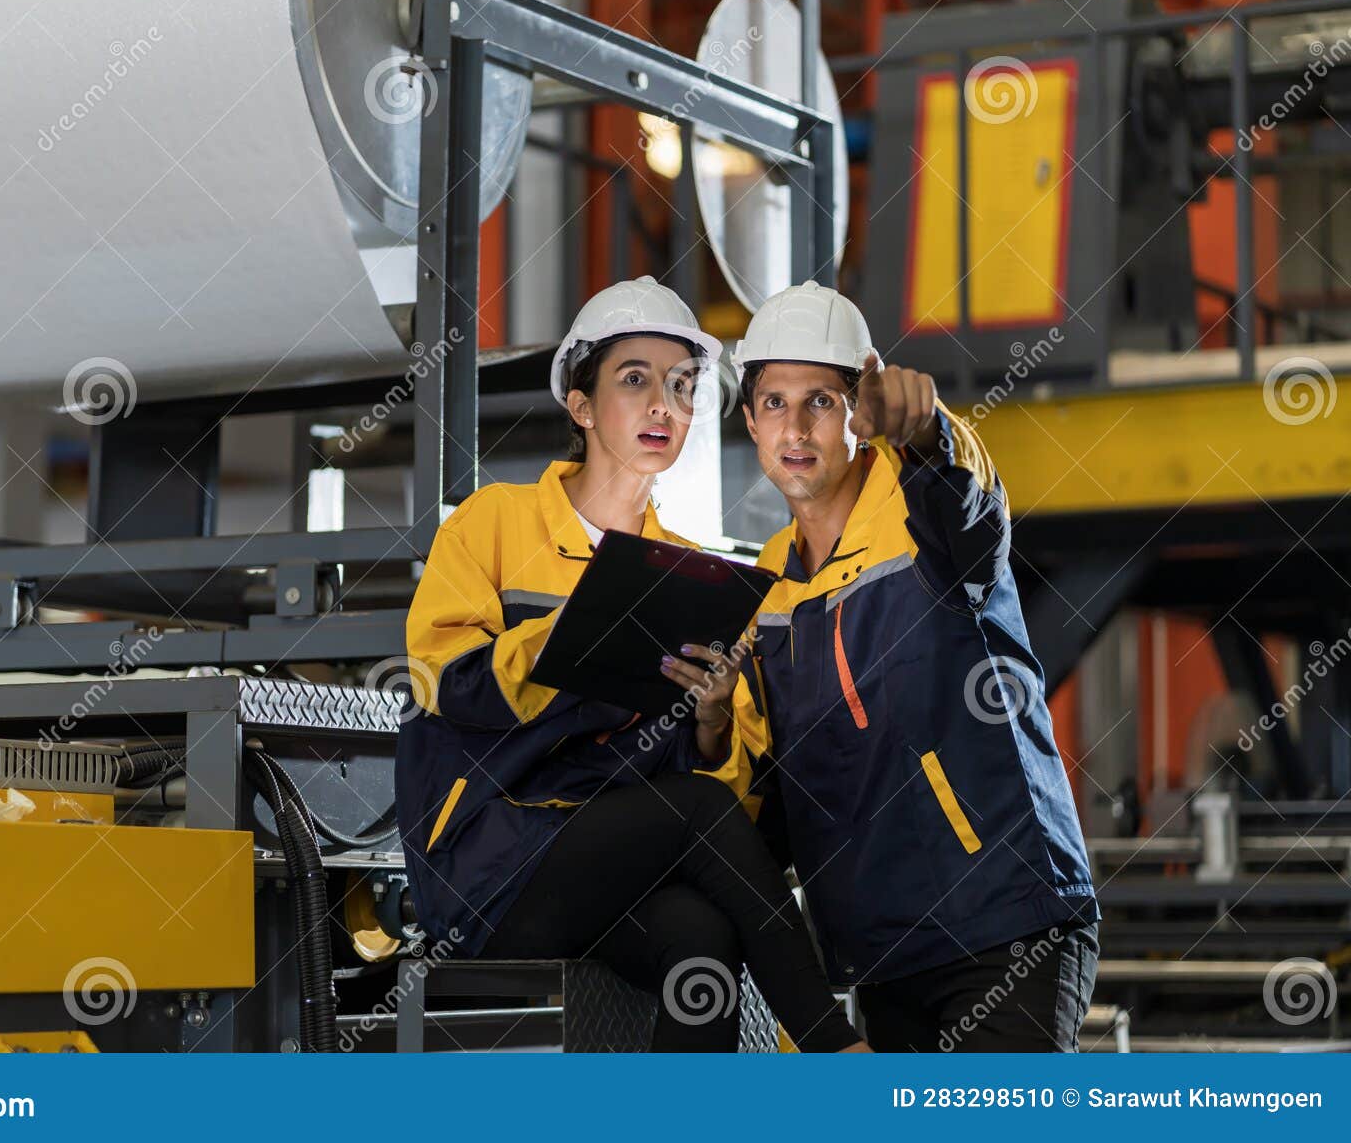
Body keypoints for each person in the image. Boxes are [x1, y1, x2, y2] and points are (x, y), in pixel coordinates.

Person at [395, 276, 864, 1052]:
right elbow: (445, 685)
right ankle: (835, 1048)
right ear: (581, 406)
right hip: (484, 866)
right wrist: (565, 631)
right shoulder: (493, 523)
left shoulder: (686, 569)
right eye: (636, 380)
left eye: (681, 386)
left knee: (703, 941)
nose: (663, 406)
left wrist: (710, 720)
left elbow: (686, 773)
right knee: (698, 812)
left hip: (604, 857)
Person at [717, 281, 1098, 1052]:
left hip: (1005, 924)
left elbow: (969, 499)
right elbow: (758, 793)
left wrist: (926, 428)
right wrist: (705, 724)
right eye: (775, 402)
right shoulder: (762, 592)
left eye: (821, 401)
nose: (796, 428)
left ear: (859, 412)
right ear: (751, 420)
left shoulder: (921, 508)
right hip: (882, 958)